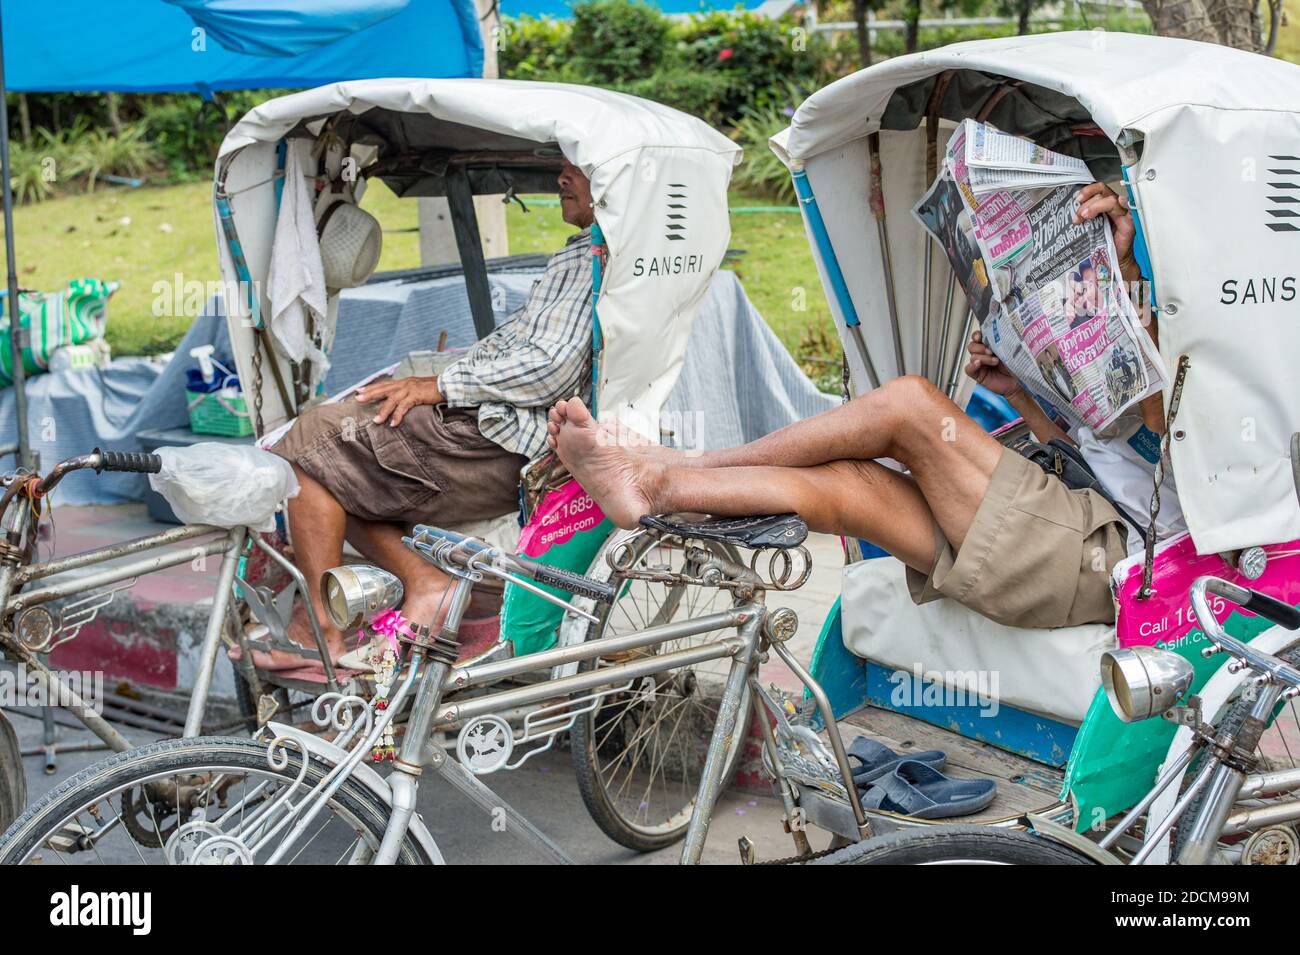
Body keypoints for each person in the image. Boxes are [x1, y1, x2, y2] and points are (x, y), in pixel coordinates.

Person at [547, 183, 1183, 630]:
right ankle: (660, 488)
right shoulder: (1145, 334)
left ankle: (676, 465)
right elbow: (1102, 447)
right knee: (850, 484)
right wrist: (1018, 391)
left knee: (909, 406)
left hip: (1118, 553)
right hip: (1076, 513)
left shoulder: (1201, 348)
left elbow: (1160, 425)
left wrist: (1124, 277)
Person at [255, 159, 597, 669]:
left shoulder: (599, 260)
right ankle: (420, 581)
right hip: (487, 425)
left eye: (578, 170)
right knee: (330, 447)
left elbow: (549, 368)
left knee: (312, 442)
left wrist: (439, 384)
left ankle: (326, 632)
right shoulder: (580, 252)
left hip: (506, 439)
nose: (562, 179)